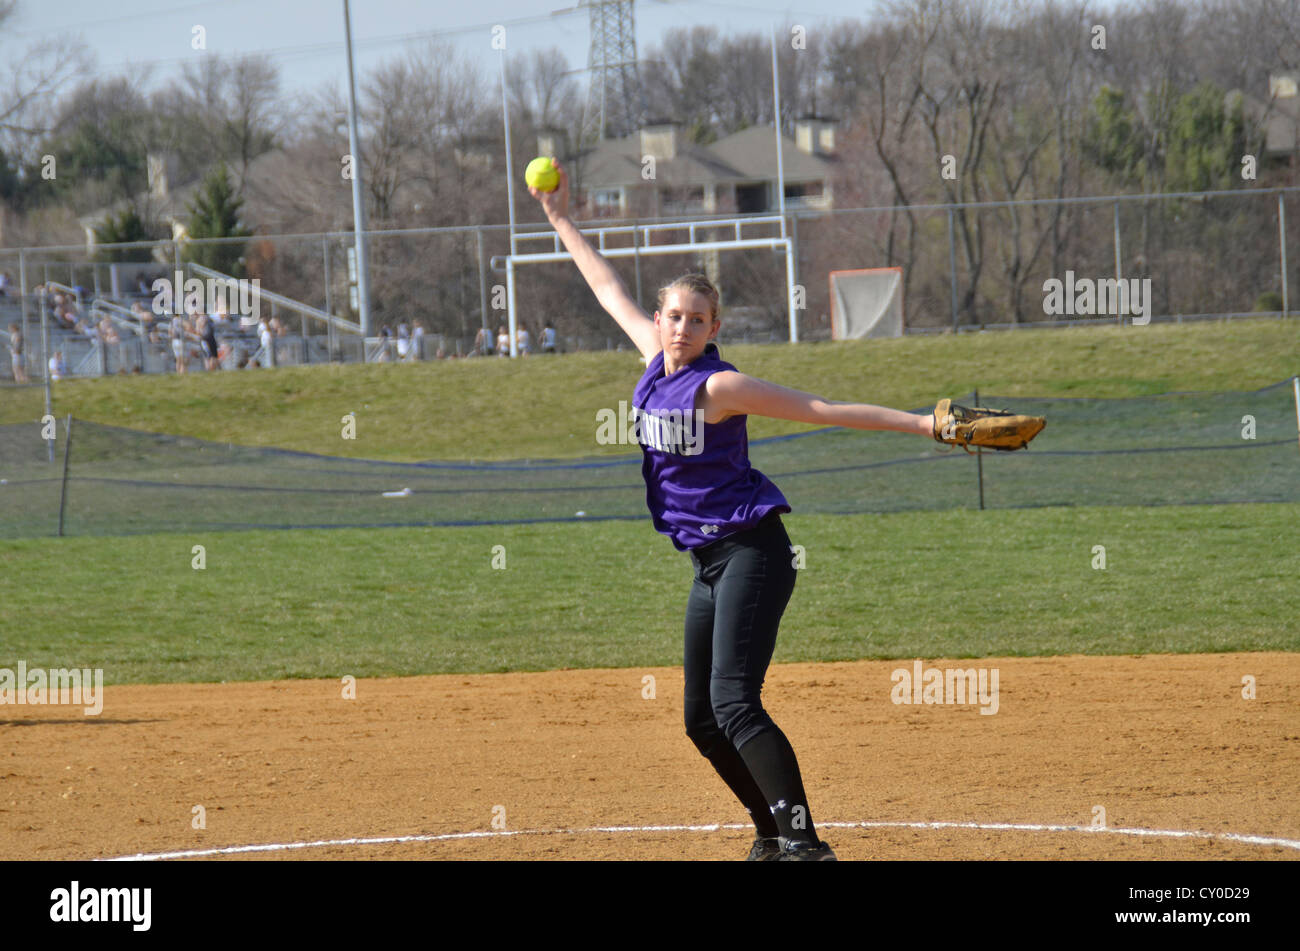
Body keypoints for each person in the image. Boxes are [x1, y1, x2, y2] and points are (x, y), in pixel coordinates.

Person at [529, 160, 989, 862]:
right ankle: (771, 833)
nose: (681, 327)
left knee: (736, 702)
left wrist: (924, 425)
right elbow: (604, 285)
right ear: (660, 321)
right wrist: (560, 217)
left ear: (715, 326)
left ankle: (806, 843)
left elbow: (821, 408)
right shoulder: (653, 362)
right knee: (701, 722)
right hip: (708, 566)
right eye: (672, 315)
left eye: (696, 319)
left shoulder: (721, 386)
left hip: (754, 552)